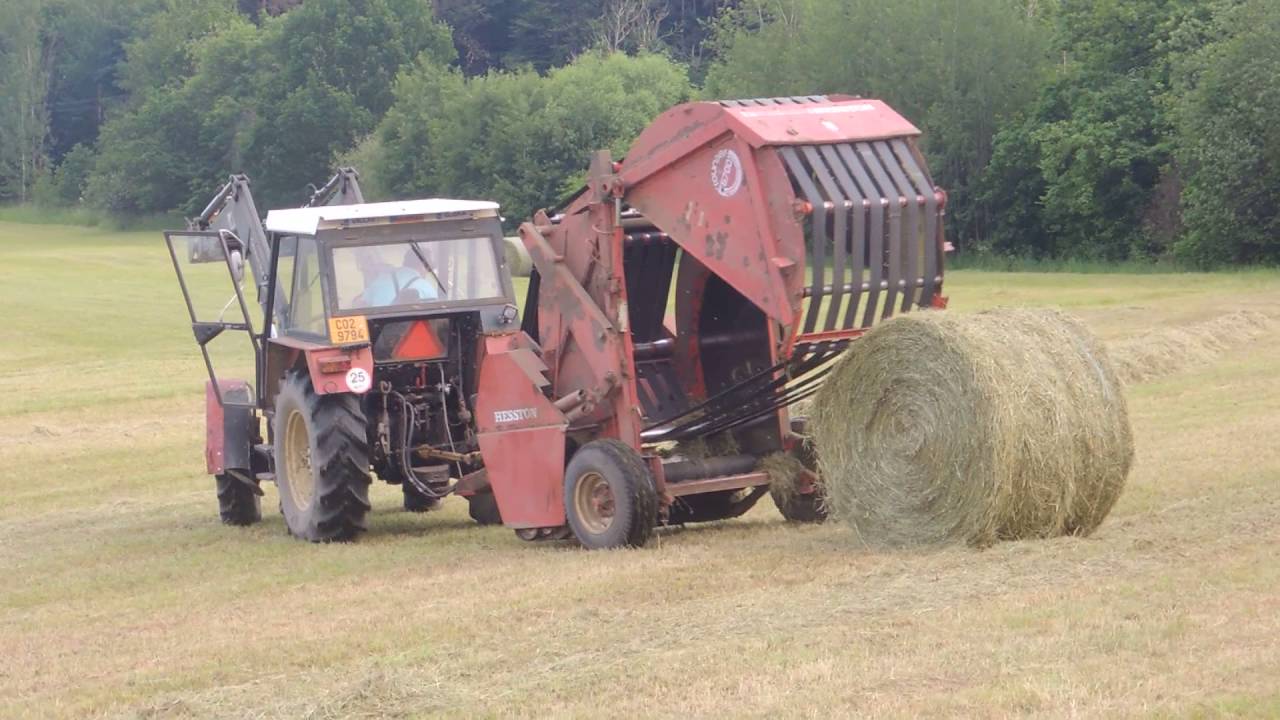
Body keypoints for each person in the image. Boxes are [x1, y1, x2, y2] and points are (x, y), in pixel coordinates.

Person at [352, 246, 441, 307]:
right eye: (429, 268)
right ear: (422, 266)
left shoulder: (380, 280)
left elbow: (359, 303)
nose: (428, 272)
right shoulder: (426, 288)